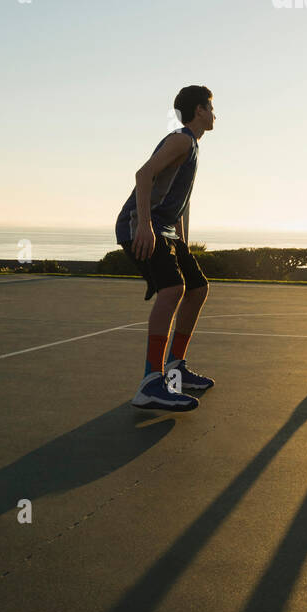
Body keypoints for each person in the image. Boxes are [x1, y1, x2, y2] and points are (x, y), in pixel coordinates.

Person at [115, 85, 216, 410]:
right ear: (199, 110)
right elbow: (143, 175)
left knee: (197, 288)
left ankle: (175, 368)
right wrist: (144, 225)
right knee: (172, 289)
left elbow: (178, 201)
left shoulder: (193, 146)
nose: (215, 114)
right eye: (211, 107)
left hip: (168, 230)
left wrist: (182, 241)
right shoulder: (181, 139)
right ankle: (150, 383)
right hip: (143, 225)